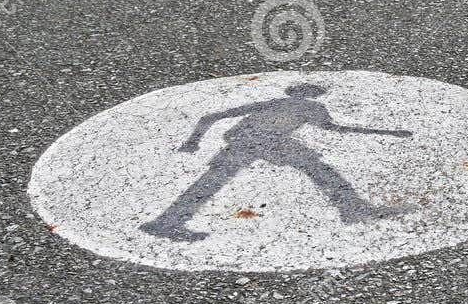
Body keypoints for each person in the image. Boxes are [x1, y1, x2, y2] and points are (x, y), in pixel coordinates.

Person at [140, 83, 412, 242]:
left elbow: (211, 117)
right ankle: (354, 209)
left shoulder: (286, 105)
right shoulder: (310, 108)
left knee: (314, 166)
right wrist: (388, 132)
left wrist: (194, 141)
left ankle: (167, 221)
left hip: (255, 141)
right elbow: (337, 130)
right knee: (315, 167)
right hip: (256, 141)